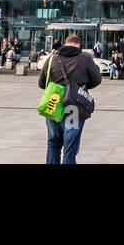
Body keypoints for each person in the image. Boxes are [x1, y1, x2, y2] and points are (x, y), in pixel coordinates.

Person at [37, 34, 102, 164]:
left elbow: (41, 83)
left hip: (53, 103)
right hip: (74, 107)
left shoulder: (52, 58)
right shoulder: (85, 58)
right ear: (79, 45)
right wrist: (80, 88)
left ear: (65, 43)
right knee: (69, 148)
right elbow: (97, 79)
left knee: (53, 144)